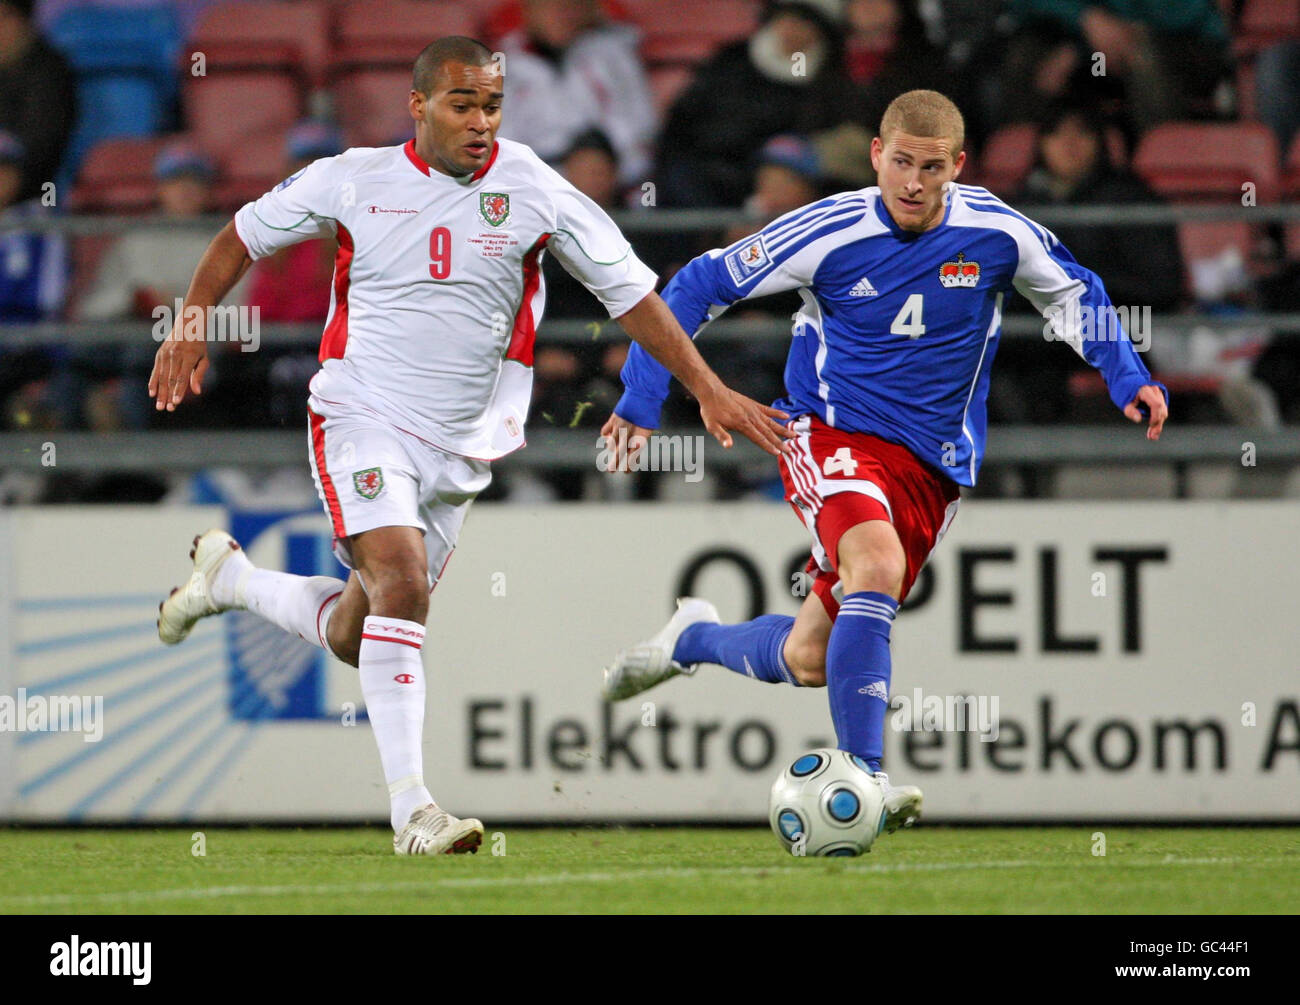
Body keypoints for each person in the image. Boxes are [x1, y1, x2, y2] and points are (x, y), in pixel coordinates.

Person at [149, 36, 790, 857]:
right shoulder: (353, 178)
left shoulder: (530, 185)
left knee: (356, 631)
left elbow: (632, 294)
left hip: (462, 447)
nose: (481, 122)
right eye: (463, 105)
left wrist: (702, 385)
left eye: (492, 105)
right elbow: (240, 234)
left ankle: (229, 580)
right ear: (418, 107)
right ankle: (414, 811)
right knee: (403, 581)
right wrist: (195, 318)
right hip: (361, 412)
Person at [599, 89, 1169, 837]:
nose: (912, 182)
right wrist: (644, 396)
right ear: (876, 155)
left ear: (956, 167)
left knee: (809, 656)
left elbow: (1076, 294)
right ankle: (863, 776)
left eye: (931, 167)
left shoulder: (996, 231)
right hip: (829, 433)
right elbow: (697, 284)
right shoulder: (827, 229)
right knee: (873, 563)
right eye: (900, 162)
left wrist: (1128, 376)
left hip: (934, 468)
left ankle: (691, 639)